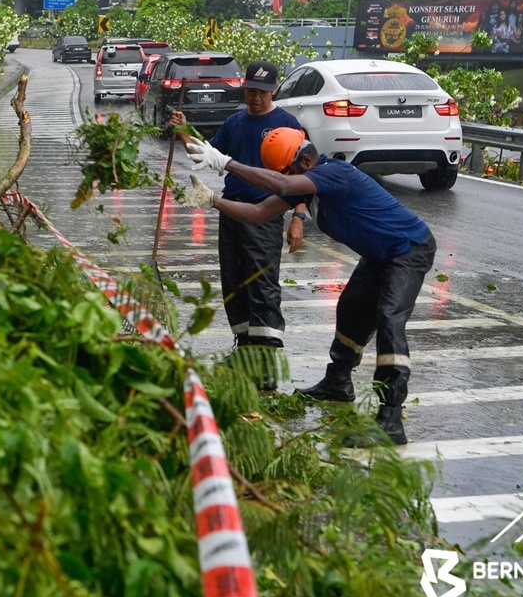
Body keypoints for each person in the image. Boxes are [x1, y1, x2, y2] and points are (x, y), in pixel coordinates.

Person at [180, 128, 437, 447]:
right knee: (350, 311)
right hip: (379, 254)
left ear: (304, 161)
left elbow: (285, 184)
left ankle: (391, 419)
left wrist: (226, 163)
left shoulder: (335, 173)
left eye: (284, 172)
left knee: (389, 319)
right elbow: (259, 214)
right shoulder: (302, 182)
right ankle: (338, 382)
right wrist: (213, 200)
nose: (282, 180)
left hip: (409, 249)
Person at [169, 60, 307, 390]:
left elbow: (303, 177)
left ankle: (266, 362)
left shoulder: (287, 124)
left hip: (266, 213)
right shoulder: (234, 123)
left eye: (261, 92)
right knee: (235, 281)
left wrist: (298, 218)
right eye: (250, 91)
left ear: (273, 90)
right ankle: (245, 351)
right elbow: (205, 155)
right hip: (233, 211)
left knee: (262, 285)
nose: (255, 98)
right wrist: (183, 130)